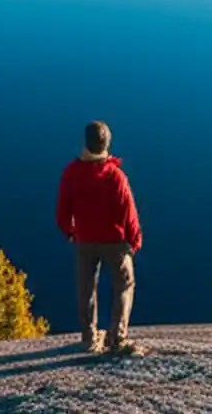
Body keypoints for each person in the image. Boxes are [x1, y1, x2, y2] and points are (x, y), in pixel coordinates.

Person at [56, 120, 144, 356]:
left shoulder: (72, 172)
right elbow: (129, 212)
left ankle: (89, 338)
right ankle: (117, 338)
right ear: (107, 143)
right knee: (124, 285)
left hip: (85, 240)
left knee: (85, 289)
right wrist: (134, 241)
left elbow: (63, 211)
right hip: (115, 242)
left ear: (86, 143)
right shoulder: (115, 176)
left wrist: (70, 232)